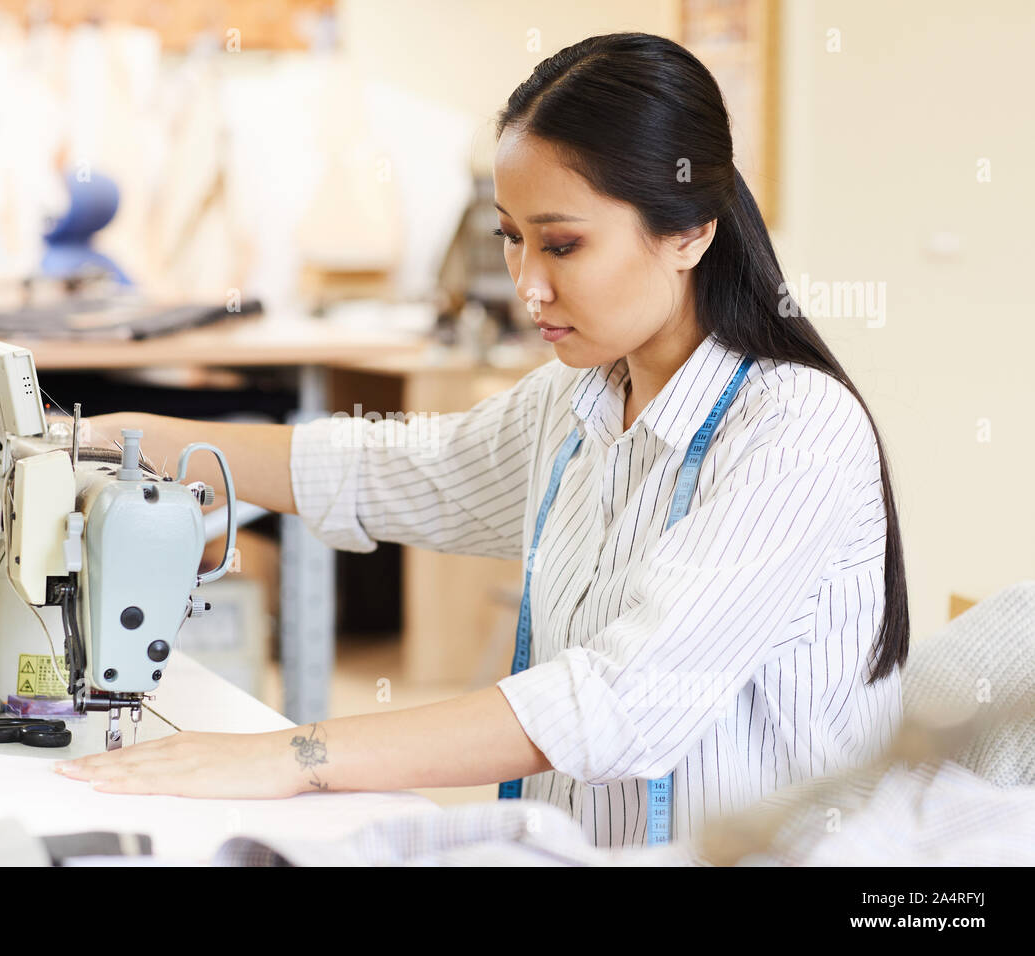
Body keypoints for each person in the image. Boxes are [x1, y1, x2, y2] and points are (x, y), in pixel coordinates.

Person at [55, 32, 908, 849]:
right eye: (512, 238)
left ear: (689, 231)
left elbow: (617, 703)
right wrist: (124, 436)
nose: (527, 286)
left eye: (563, 244)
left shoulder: (797, 432)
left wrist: (291, 757)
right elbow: (389, 471)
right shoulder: (579, 400)